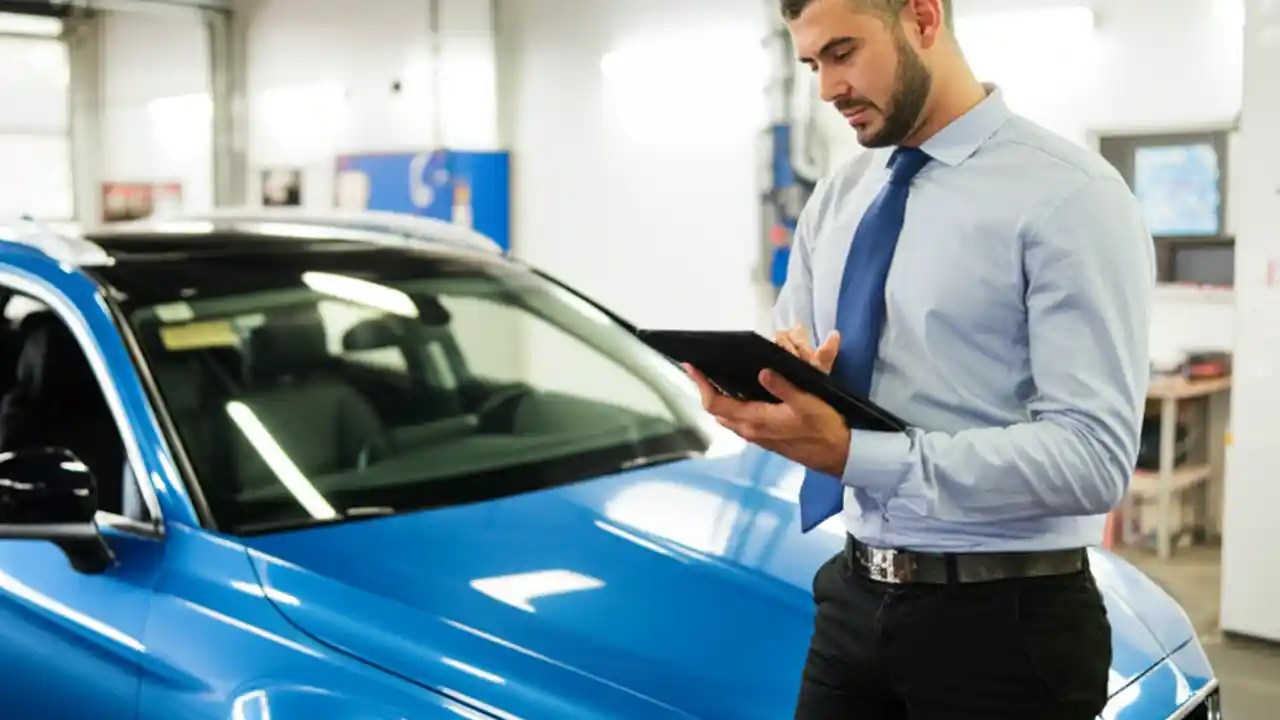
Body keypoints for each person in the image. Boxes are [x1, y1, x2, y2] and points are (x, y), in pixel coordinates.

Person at [682, 0, 1155, 717]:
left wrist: (855, 454)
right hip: (851, 595)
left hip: (1006, 627)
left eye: (843, 53)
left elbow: (1092, 460)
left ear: (924, 19)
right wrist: (782, 390)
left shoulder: (1070, 197)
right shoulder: (840, 197)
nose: (826, 89)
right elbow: (799, 345)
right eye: (812, 64)